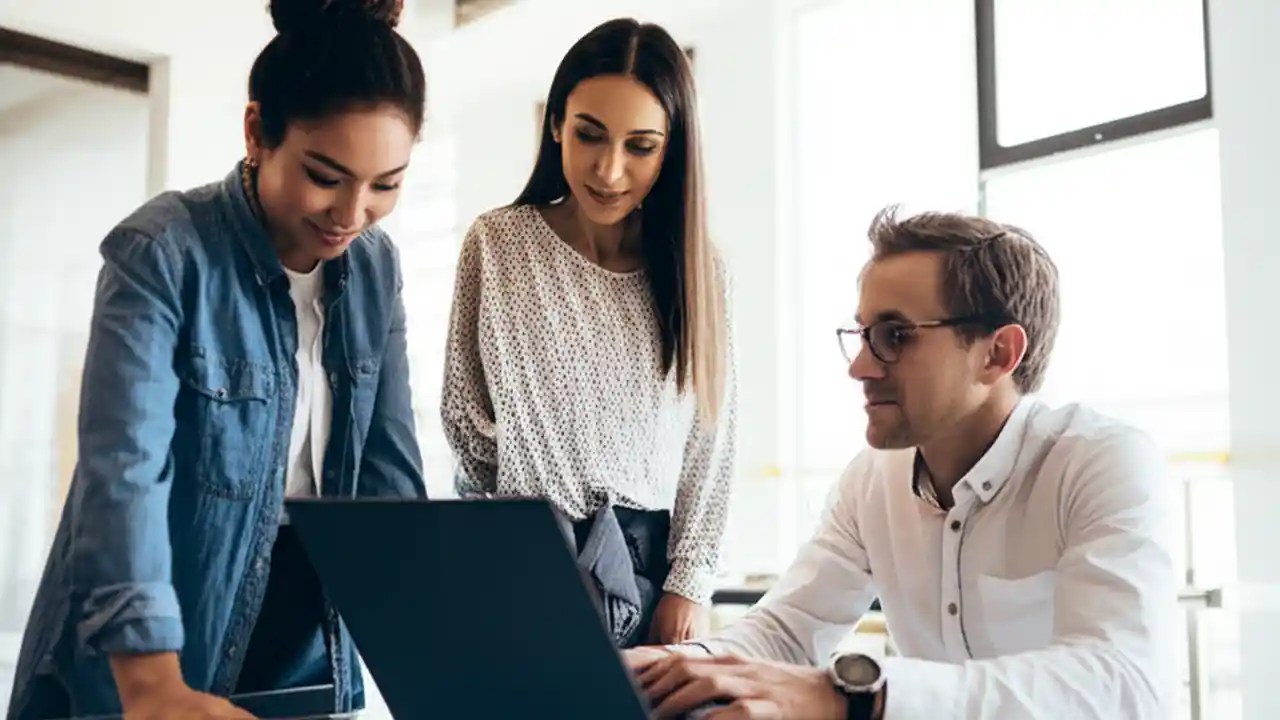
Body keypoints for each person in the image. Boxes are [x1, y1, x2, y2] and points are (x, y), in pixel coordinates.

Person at [6, 1, 427, 717]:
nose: (352, 213)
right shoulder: (162, 252)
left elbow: (389, 477)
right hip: (155, 648)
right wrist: (151, 685)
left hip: (302, 658)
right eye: (326, 175)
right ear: (256, 131)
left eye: (385, 184)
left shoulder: (376, 270)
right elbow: (124, 474)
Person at [626, 208, 1179, 719]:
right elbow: (786, 632)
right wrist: (656, 669)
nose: (861, 367)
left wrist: (856, 694)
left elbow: (1122, 681)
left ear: (998, 354)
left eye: (895, 336)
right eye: (863, 335)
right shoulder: (871, 480)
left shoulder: (1103, 461)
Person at [440, 17, 736, 648]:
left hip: (648, 574)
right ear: (555, 126)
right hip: (518, 556)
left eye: (641, 146)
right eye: (590, 135)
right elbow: (463, 415)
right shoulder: (499, 245)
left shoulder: (700, 271)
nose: (609, 169)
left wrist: (691, 581)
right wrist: (530, 514)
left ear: (672, 148)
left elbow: (711, 442)